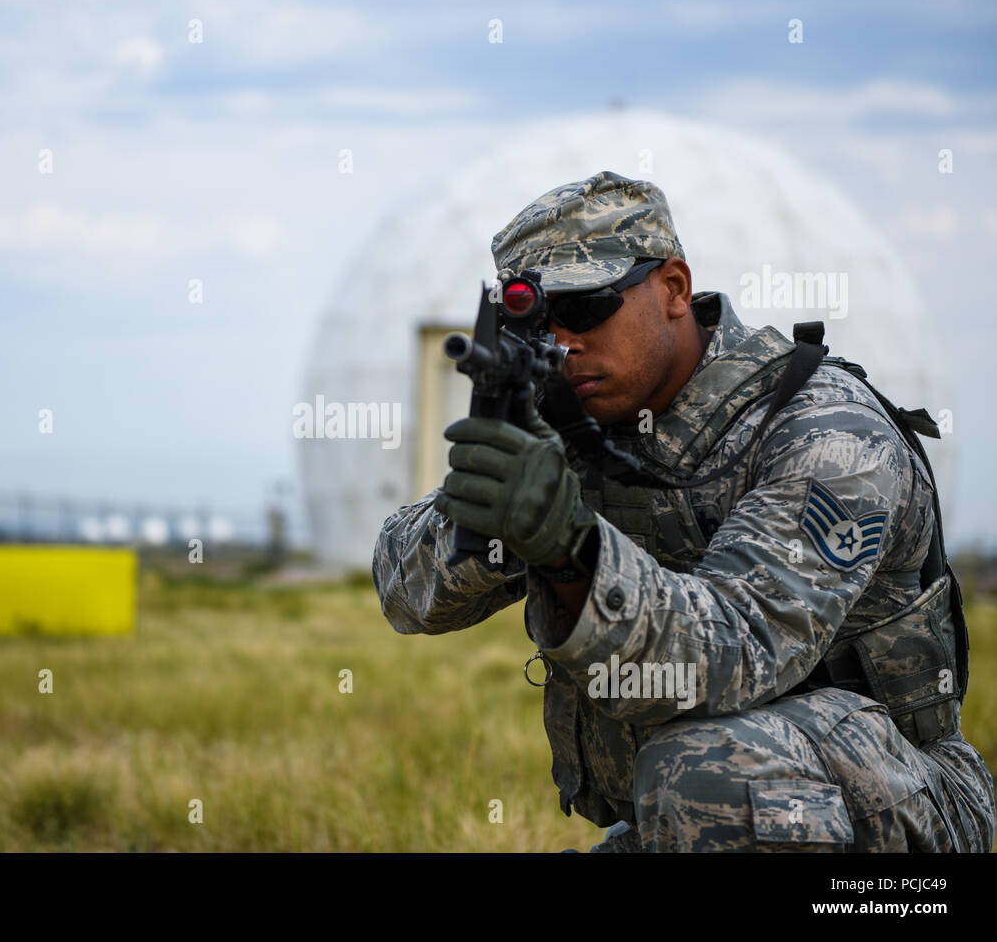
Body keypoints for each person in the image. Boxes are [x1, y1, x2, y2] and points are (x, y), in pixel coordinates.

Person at [371, 170, 995, 852]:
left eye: (585, 309)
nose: (564, 342)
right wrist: (498, 499)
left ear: (673, 288)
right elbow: (408, 596)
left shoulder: (826, 431)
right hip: (708, 812)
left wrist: (566, 545)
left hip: (902, 807)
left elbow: (732, 649)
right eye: (539, 321)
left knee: (708, 768)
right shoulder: (576, 425)